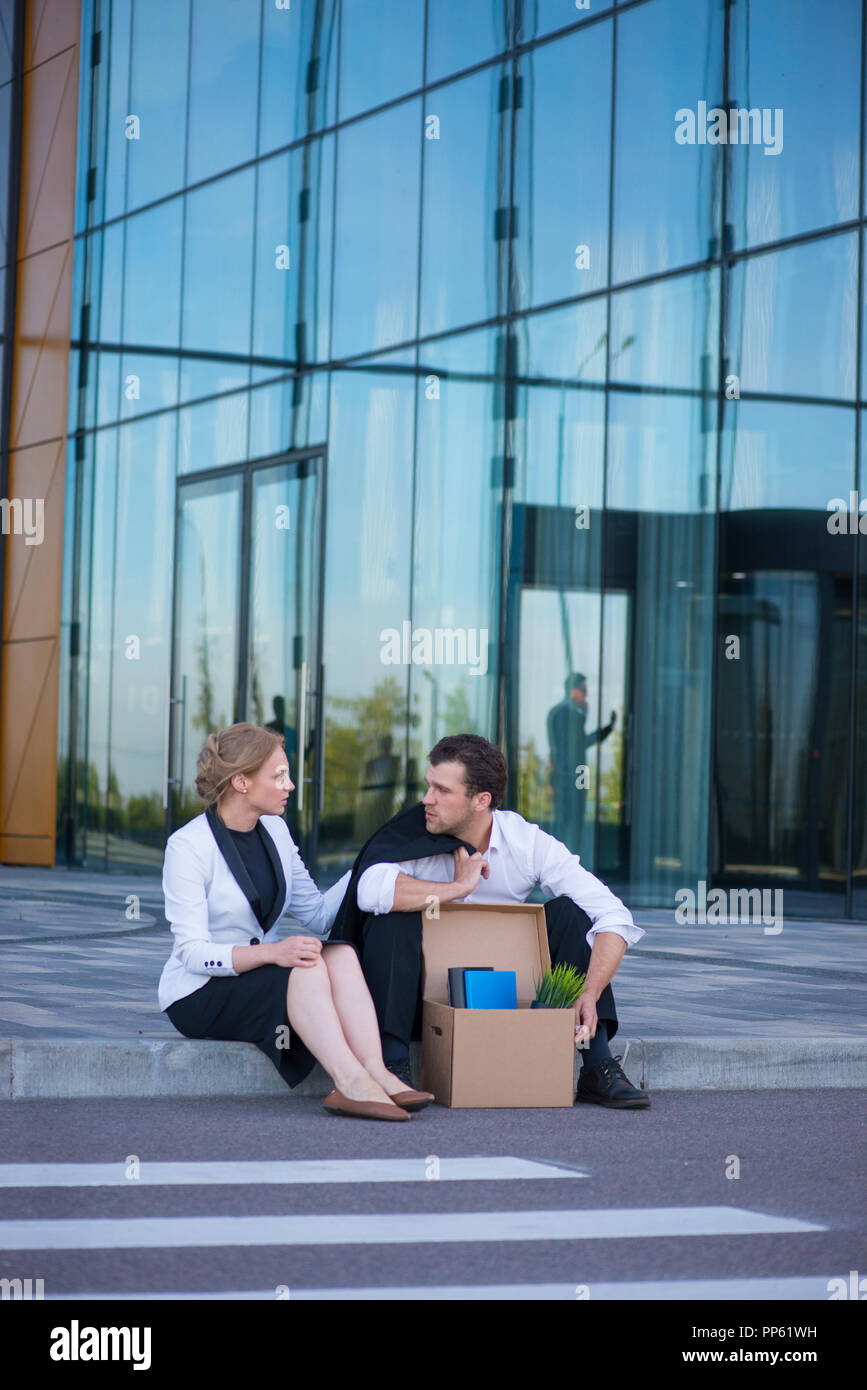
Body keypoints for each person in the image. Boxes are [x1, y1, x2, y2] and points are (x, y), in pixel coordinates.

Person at [329, 732, 649, 1109]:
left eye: (442, 790)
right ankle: (392, 1064)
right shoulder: (410, 833)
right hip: (410, 998)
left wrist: (590, 992)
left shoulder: (524, 842)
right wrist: (457, 886)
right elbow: (369, 892)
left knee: (569, 914)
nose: (426, 799)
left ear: (481, 801)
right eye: (429, 785)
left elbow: (613, 915)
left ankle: (596, 1064)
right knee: (393, 916)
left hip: (493, 996)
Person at [158, 722, 434, 1121]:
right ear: (241, 782)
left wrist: (373, 859)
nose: (290, 785)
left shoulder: (275, 829)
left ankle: (377, 1072)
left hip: (261, 976)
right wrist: (274, 953)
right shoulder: (187, 847)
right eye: (279, 776)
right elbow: (191, 954)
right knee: (304, 965)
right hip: (200, 992)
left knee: (339, 955)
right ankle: (349, 1082)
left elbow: (320, 915)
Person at [547, 673, 616, 853]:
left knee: (577, 816)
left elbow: (582, 742)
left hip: (578, 773)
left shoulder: (571, 713)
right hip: (569, 774)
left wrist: (607, 729)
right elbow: (572, 746)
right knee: (569, 818)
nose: (586, 694)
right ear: (574, 691)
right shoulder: (564, 713)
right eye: (583, 690)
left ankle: (572, 856)